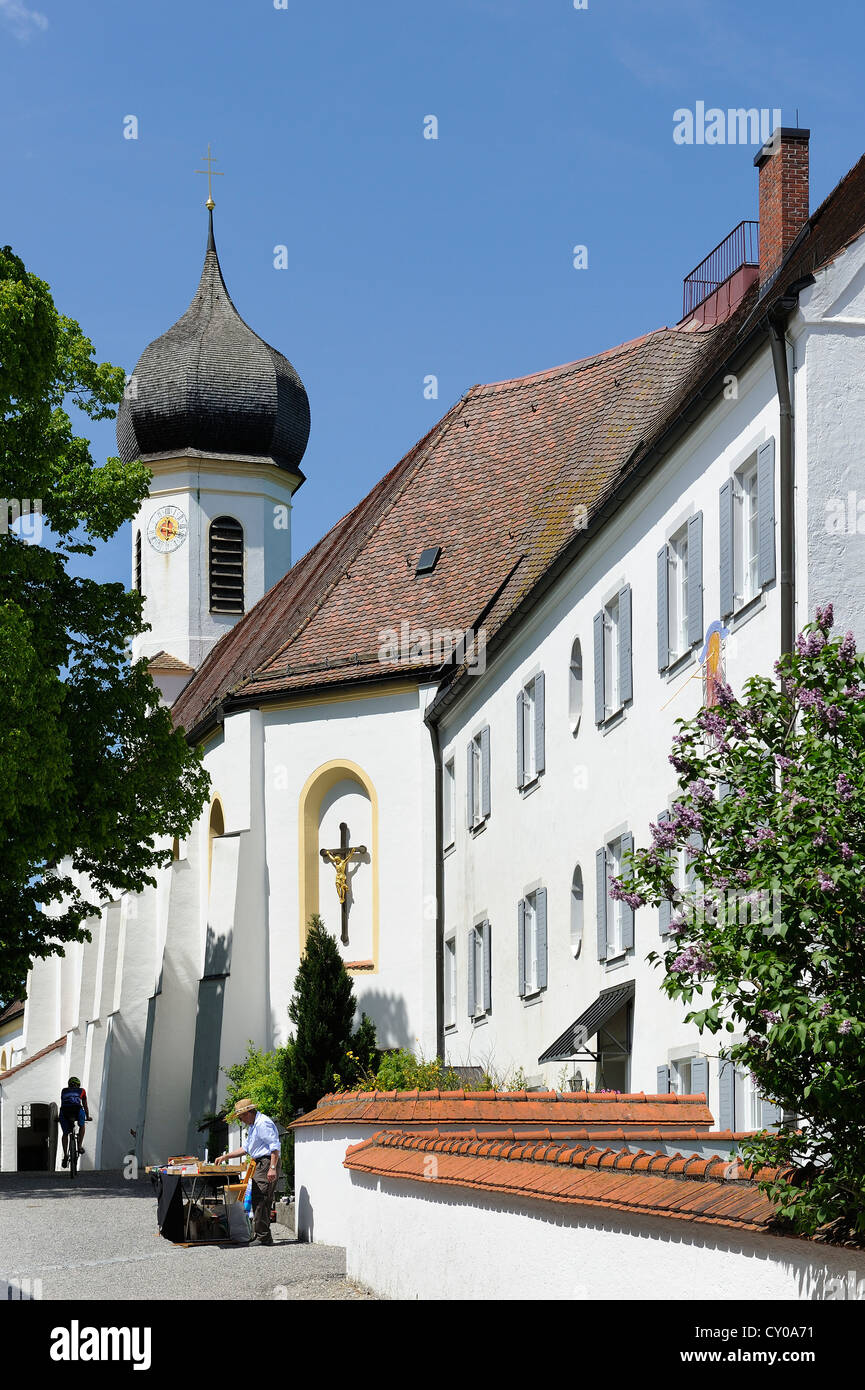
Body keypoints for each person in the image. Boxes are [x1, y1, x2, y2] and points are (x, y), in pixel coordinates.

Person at [215, 1098, 281, 1245]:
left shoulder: (262, 1123)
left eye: (241, 1117)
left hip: (266, 1162)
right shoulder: (254, 1125)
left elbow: (274, 1146)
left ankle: (263, 1237)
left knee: (261, 1198)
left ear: (248, 1113)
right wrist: (226, 1156)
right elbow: (246, 1149)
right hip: (262, 1162)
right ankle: (261, 1235)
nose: (241, 1120)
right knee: (259, 1198)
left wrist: (272, 1167)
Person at [59, 1076, 90, 1167]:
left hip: (65, 1111)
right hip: (77, 1110)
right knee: (82, 1125)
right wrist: (88, 1117)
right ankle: (79, 1146)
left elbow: (63, 1103)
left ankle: (65, 1155)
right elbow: (85, 1105)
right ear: (78, 1085)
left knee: (65, 1133)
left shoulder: (64, 1090)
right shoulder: (82, 1091)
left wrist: (59, 1118)